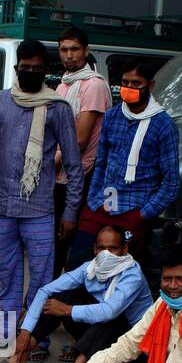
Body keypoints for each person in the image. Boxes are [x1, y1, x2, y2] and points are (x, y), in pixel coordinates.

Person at [0, 39, 82, 349]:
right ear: (16, 68)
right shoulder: (1, 102)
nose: (30, 72)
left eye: (36, 69)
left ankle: (35, 338)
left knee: (42, 280)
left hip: (40, 209)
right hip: (3, 206)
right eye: (25, 68)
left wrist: (71, 212)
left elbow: (73, 165)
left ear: (46, 71)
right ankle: (7, 333)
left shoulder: (57, 108)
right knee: (8, 276)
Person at [0, 224, 152, 363]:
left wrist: (67, 310)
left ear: (124, 250)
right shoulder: (89, 268)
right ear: (94, 249)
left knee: (110, 317)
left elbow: (109, 311)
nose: (106, 254)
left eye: (112, 249)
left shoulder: (132, 276)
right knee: (60, 294)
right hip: (102, 335)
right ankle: (17, 360)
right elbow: (45, 290)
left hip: (133, 348)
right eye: (101, 248)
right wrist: (25, 331)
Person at [73, 58, 179, 267]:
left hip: (133, 210)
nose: (129, 88)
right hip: (101, 205)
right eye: (125, 82)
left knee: (120, 271)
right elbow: (101, 163)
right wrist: (93, 199)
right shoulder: (113, 116)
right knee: (79, 261)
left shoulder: (163, 125)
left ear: (150, 85)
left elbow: (171, 183)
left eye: (136, 83)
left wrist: (143, 214)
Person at [54, 27, 110, 275]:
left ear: (86, 52)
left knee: (73, 247)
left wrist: (50, 161)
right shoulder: (63, 85)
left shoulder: (93, 85)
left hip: (82, 175)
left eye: (74, 49)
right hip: (59, 174)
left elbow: (80, 140)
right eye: (64, 49)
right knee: (54, 245)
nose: (69, 55)